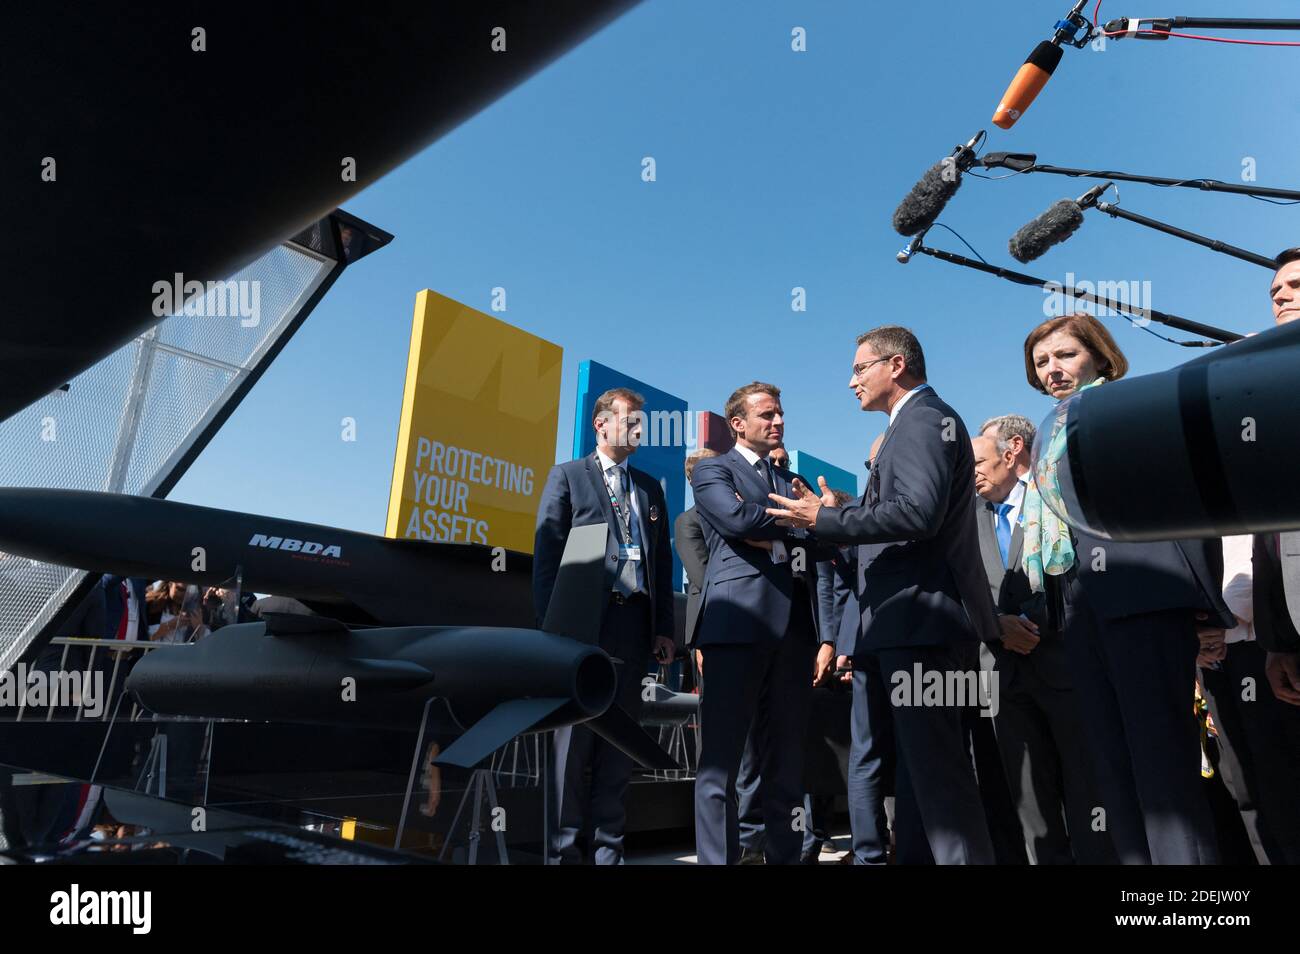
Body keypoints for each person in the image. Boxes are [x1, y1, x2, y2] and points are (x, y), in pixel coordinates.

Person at [768, 326, 998, 864]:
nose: (850, 381)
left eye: (858, 368)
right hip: (896, 628)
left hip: (923, 624)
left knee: (940, 783)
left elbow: (917, 514)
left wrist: (828, 517)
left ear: (895, 366)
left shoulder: (922, 420)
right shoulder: (906, 426)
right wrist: (835, 515)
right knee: (917, 784)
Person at [1021, 312, 1234, 865]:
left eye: (1065, 355)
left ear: (1100, 354)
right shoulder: (1047, 428)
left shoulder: (1131, 403)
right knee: (1112, 769)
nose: (1052, 369)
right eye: (1042, 362)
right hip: (1079, 604)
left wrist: (1204, 608)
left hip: (1145, 598)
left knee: (1164, 769)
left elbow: (1185, 503)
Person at [533, 387, 675, 865]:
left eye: (642, 423)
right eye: (630, 421)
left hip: (633, 630)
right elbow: (547, 558)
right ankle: (564, 855)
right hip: (579, 631)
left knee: (620, 748)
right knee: (572, 748)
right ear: (601, 424)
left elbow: (659, 561)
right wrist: (551, 627)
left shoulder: (651, 489)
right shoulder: (569, 477)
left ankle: (608, 854)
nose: (638, 430)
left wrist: (663, 628)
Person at [971, 415, 1114, 864]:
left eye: (978, 461)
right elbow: (955, 590)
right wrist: (996, 625)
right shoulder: (963, 520)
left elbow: (1083, 576)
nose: (969, 471)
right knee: (1030, 806)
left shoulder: (1056, 502)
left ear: (1011, 452)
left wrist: (1031, 628)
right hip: (1003, 684)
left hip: (1066, 670)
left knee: (1089, 794)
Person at [690, 382, 822, 864]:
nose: (779, 421)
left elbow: (821, 543)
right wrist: (799, 524)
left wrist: (798, 526)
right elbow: (737, 520)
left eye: (781, 413)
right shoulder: (711, 470)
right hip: (735, 629)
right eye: (767, 414)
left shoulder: (793, 483)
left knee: (786, 765)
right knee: (721, 766)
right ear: (738, 425)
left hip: (793, 636)